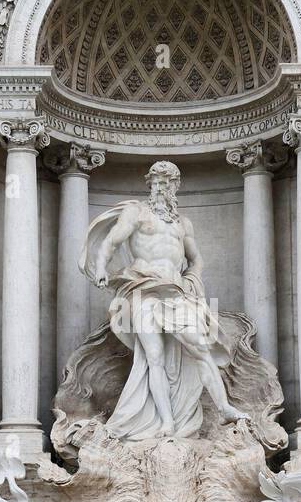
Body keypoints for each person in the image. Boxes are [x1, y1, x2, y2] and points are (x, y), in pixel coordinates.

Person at [81, 161, 248, 440]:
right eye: (157, 182)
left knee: (201, 348)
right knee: (153, 357)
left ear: (176, 187)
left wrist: (192, 279)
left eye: (167, 183)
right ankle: (166, 422)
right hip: (142, 290)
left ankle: (224, 407)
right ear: (150, 184)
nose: (162, 187)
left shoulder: (183, 224)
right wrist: (100, 268)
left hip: (175, 292)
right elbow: (111, 242)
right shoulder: (137, 212)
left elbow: (196, 260)